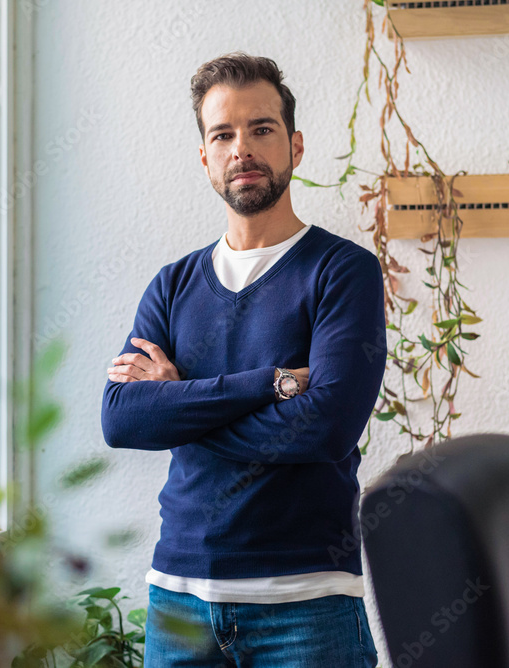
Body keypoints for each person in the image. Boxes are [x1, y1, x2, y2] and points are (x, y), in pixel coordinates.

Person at [100, 51, 386, 667]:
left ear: (296, 146)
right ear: (205, 156)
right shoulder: (173, 285)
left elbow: (326, 427)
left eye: (261, 129)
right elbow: (123, 421)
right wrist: (271, 384)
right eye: (222, 134)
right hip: (179, 604)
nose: (242, 149)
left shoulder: (343, 272)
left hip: (307, 602)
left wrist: (181, 400)